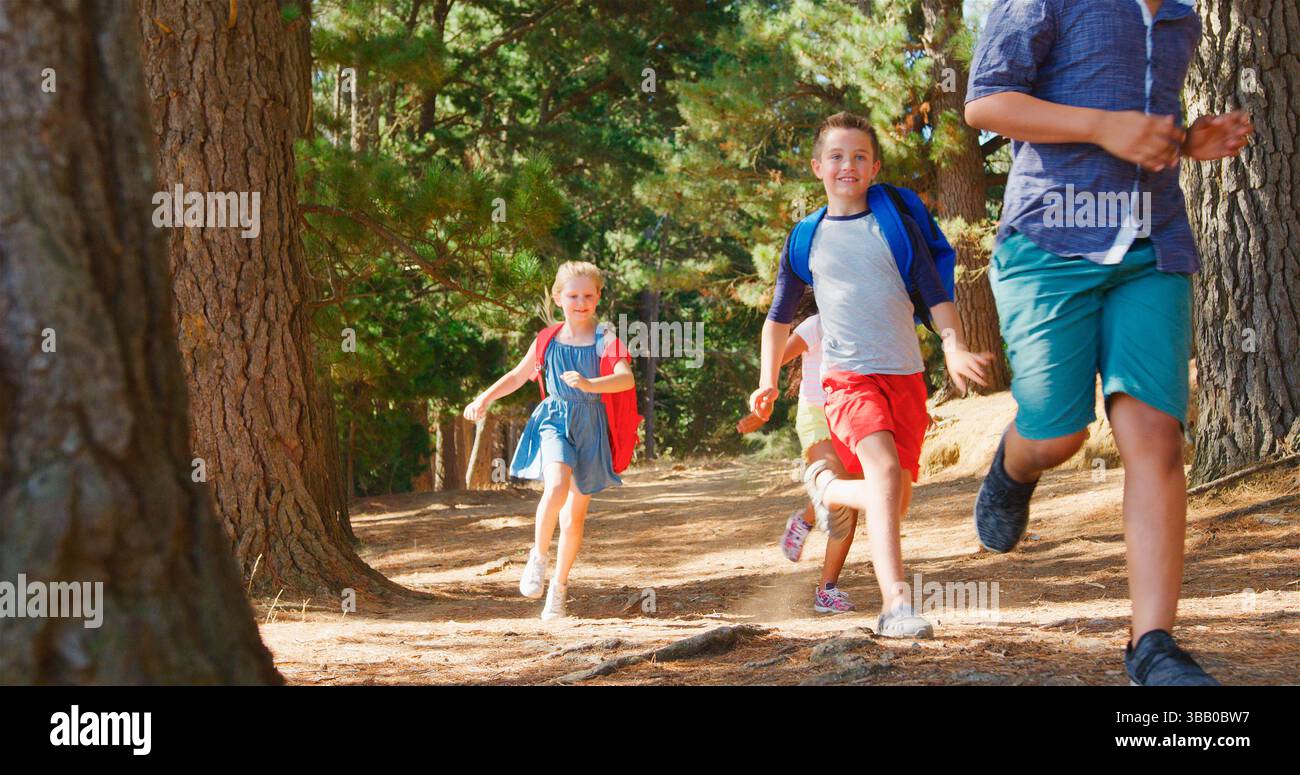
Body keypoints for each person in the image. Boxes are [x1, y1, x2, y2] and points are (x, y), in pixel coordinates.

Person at [965, 0, 1252, 684]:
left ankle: (1153, 644)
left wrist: (1187, 142)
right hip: (1049, 240)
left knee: (1156, 436)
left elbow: (1142, 131)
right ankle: (1015, 467)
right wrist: (1101, 127)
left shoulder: (1181, 19)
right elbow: (986, 103)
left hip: (1152, 247)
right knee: (1057, 435)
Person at [751, 111, 992, 638]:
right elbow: (777, 320)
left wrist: (953, 346)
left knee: (895, 498)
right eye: (836, 156)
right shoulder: (805, 239)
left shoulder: (896, 228)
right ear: (818, 167)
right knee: (882, 476)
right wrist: (769, 378)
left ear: (875, 166)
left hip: (905, 377)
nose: (848, 165)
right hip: (847, 379)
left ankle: (828, 491)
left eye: (860, 156)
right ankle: (895, 606)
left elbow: (936, 297)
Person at [464, 261, 635, 620]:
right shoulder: (546, 339)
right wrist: (484, 398)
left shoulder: (607, 339)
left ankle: (559, 588)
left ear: (599, 296)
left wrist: (590, 385)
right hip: (554, 418)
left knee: (574, 517)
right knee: (555, 486)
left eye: (588, 295)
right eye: (573, 295)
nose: (581, 302)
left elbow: (625, 380)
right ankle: (537, 558)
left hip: (592, 425)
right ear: (558, 298)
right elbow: (517, 375)